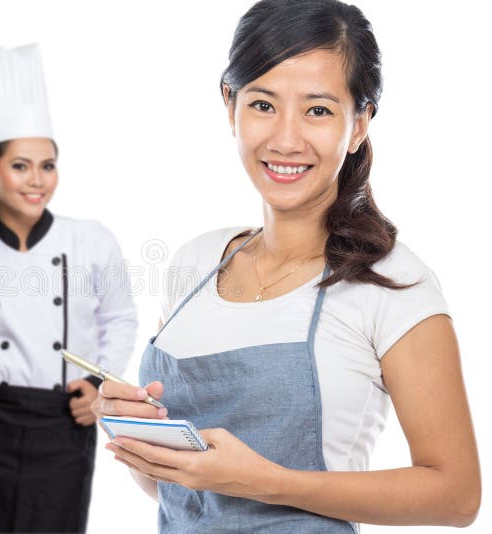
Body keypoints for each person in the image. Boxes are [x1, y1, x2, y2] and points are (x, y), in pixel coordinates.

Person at [91, 0, 481, 531]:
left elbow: (456, 497)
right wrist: (133, 434)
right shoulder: (195, 263)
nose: (286, 139)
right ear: (230, 106)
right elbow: (178, 492)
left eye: (318, 110)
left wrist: (266, 481)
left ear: (360, 122)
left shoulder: (392, 285)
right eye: (263, 104)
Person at [0, 43, 138, 533]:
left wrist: (100, 386)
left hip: (64, 421)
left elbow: (119, 319)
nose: (38, 181)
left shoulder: (90, 239)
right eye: (21, 166)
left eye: (47, 165)